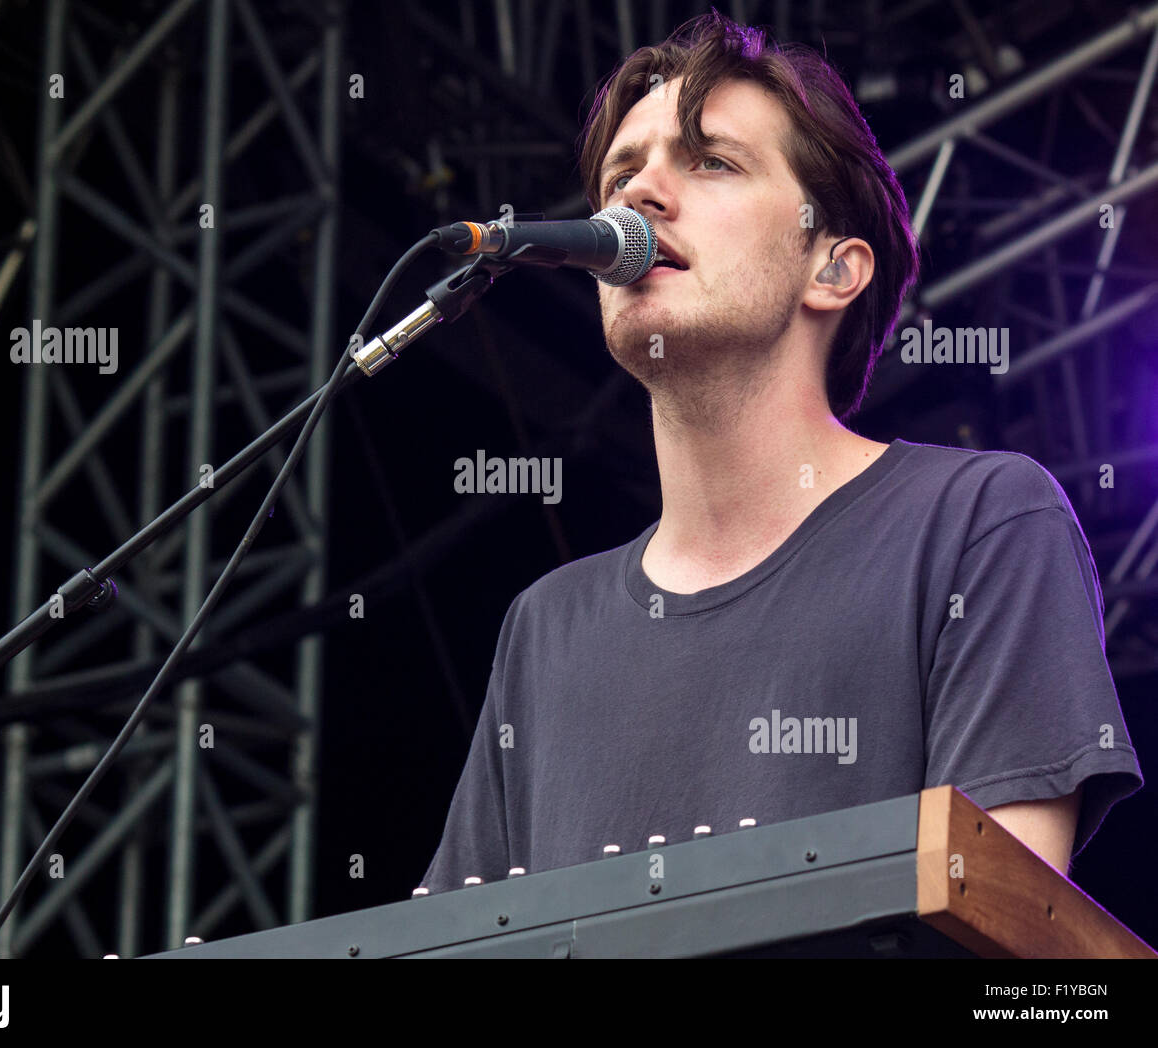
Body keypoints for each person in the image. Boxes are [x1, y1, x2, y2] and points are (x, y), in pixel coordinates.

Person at [418, 13, 1142, 894]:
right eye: (622, 172)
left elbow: (998, 926)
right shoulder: (543, 626)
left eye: (712, 161)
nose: (639, 195)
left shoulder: (980, 524)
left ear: (833, 270)